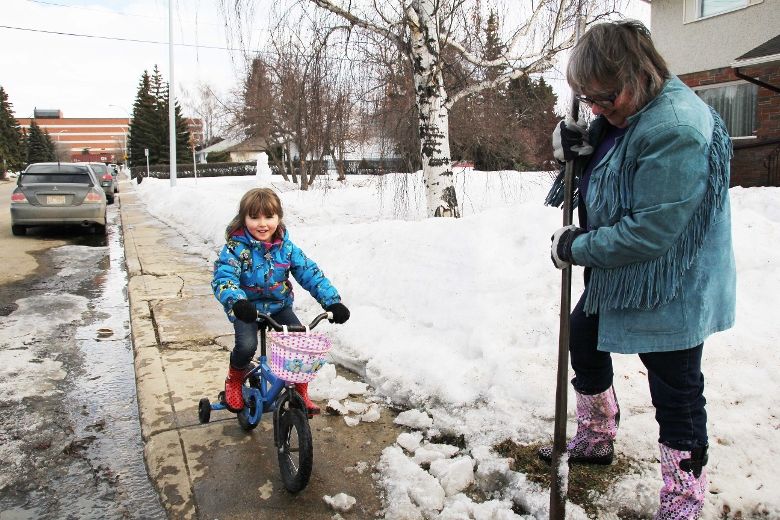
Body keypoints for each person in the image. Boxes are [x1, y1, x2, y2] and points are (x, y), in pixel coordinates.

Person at [541, 20, 735, 519]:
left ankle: (683, 499)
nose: (597, 108)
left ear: (638, 73)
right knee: (583, 336)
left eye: (604, 97)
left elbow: (650, 232)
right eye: (586, 99)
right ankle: (598, 435)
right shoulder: (628, 112)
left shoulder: (674, 127)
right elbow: (610, 161)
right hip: (625, 273)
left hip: (672, 281)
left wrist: (576, 245)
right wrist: (577, 145)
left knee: (675, 387)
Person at [212, 187, 350, 416]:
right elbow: (224, 278)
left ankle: (299, 391)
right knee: (247, 346)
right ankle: (234, 379)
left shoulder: (286, 248)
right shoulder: (235, 249)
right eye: (254, 217)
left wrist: (332, 301)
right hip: (247, 309)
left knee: (301, 344)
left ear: (279, 218)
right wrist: (237, 301)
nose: (262, 224)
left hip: (278, 307)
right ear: (243, 219)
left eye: (269, 216)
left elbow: (309, 273)